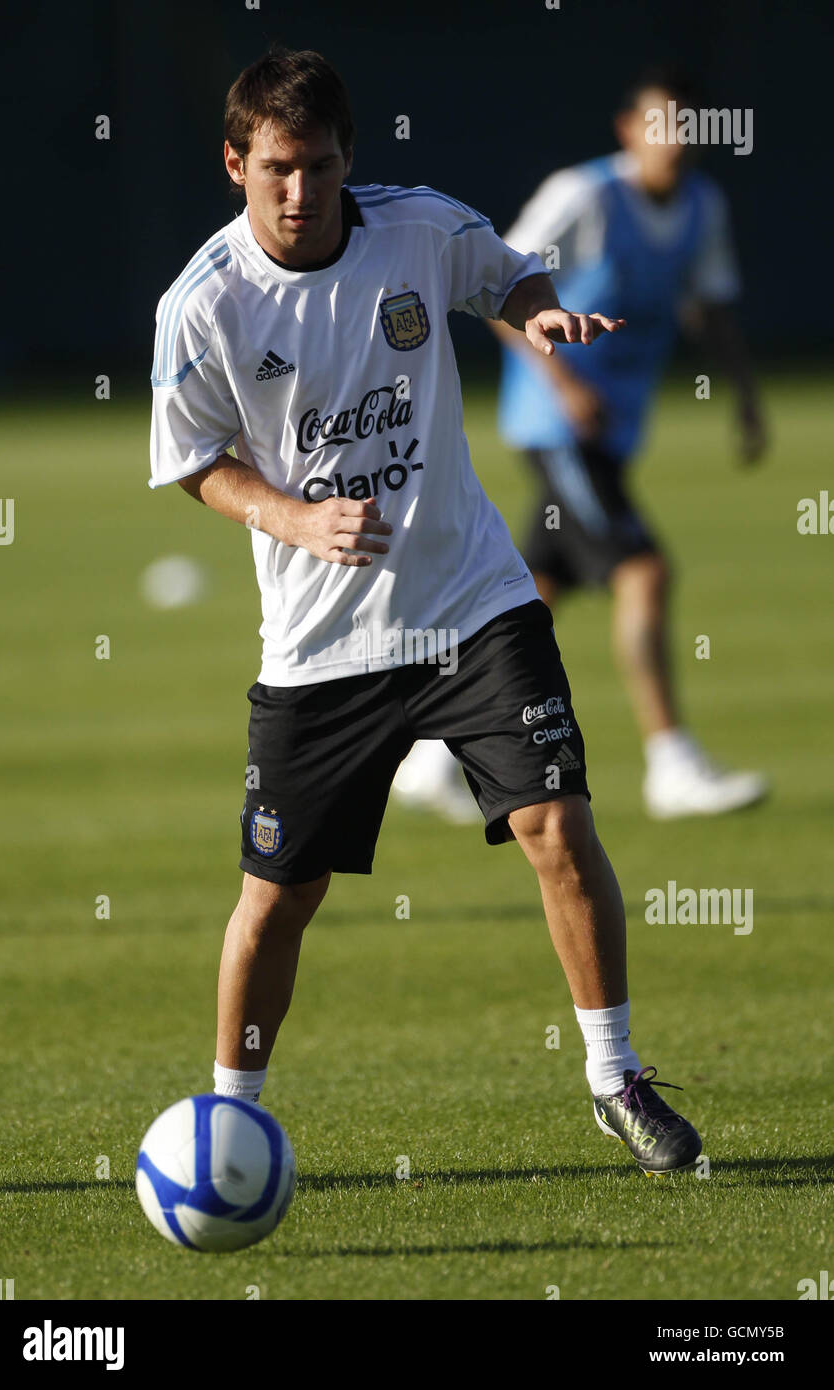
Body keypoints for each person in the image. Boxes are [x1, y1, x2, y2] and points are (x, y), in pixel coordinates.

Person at [149, 46, 702, 1174]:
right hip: (321, 643)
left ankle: (615, 1077)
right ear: (233, 164)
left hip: (472, 602)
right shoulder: (201, 304)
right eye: (274, 170)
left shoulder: (418, 229)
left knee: (559, 823)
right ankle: (230, 1118)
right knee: (276, 896)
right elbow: (196, 462)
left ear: (351, 158)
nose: (299, 192)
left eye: (317, 166)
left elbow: (507, 276)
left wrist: (540, 319)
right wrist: (296, 519)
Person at [393, 67, 768, 822]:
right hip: (555, 424)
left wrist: (744, 395)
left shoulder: (701, 206)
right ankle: (670, 763)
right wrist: (564, 387)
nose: (676, 142)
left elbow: (712, 306)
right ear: (628, 131)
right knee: (644, 571)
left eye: (688, 128)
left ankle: (429, 756)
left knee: (529, 595)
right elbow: (500, 288)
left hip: (613, 430)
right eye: (661, 125)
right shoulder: (584, 194)